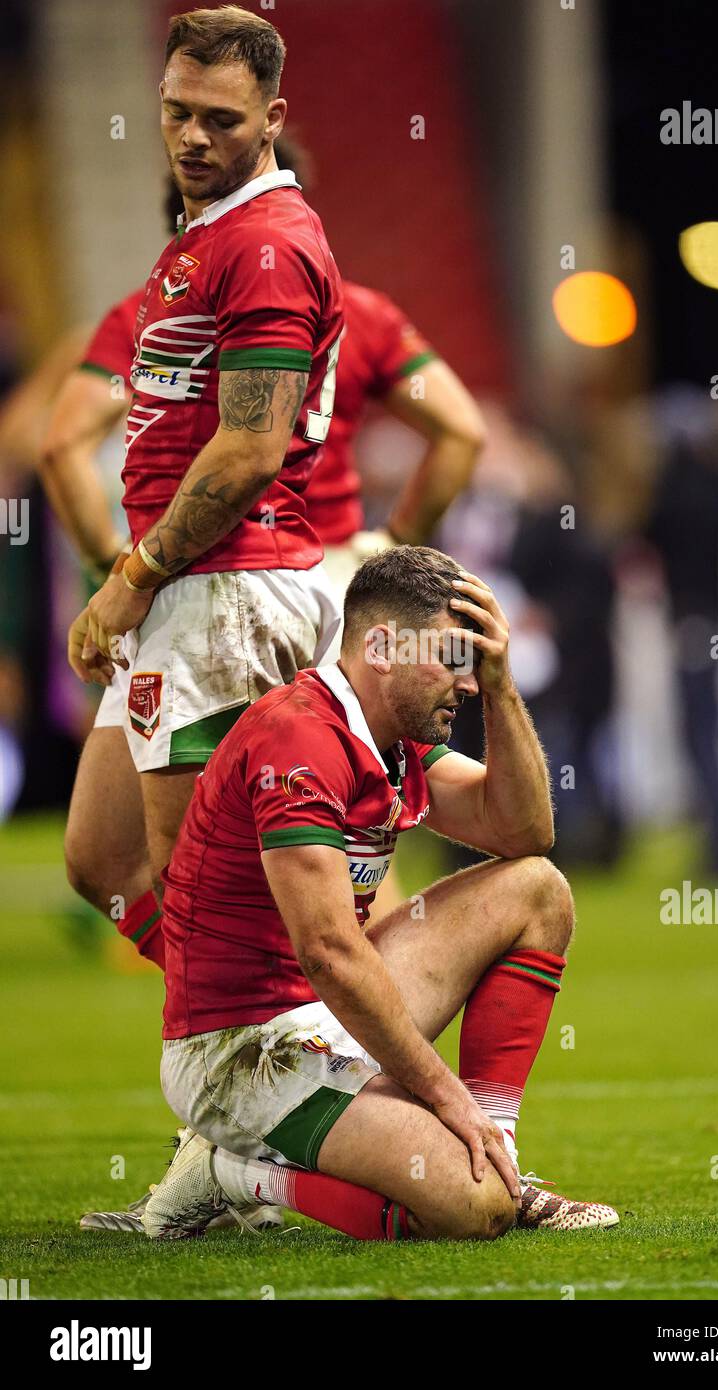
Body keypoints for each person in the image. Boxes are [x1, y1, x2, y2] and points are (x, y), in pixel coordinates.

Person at [141, 546, 619, 1240]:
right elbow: (330, 953)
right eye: (452, 658)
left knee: (538, 890)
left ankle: (503, 1155)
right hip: (240, 1049)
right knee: (470, 1208)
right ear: (384, 646)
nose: (465, 683)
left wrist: (505, 686)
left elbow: (525, 833)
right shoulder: (298, 737)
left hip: (317, 1015)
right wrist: (445, 1095)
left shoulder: (393, 736)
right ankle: (226, 1170)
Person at [66, 7, 343, 906]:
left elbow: (253, 448)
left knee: (216, 901)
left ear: (272, 118)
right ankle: (286, 1020)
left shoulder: (263, 242)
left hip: (225, 593)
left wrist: (134, 573)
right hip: (183, 586)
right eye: (178, 109)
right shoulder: (204, 235)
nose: (192, 135)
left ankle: (320, 1038)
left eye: (221, 120)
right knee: (105, 864)